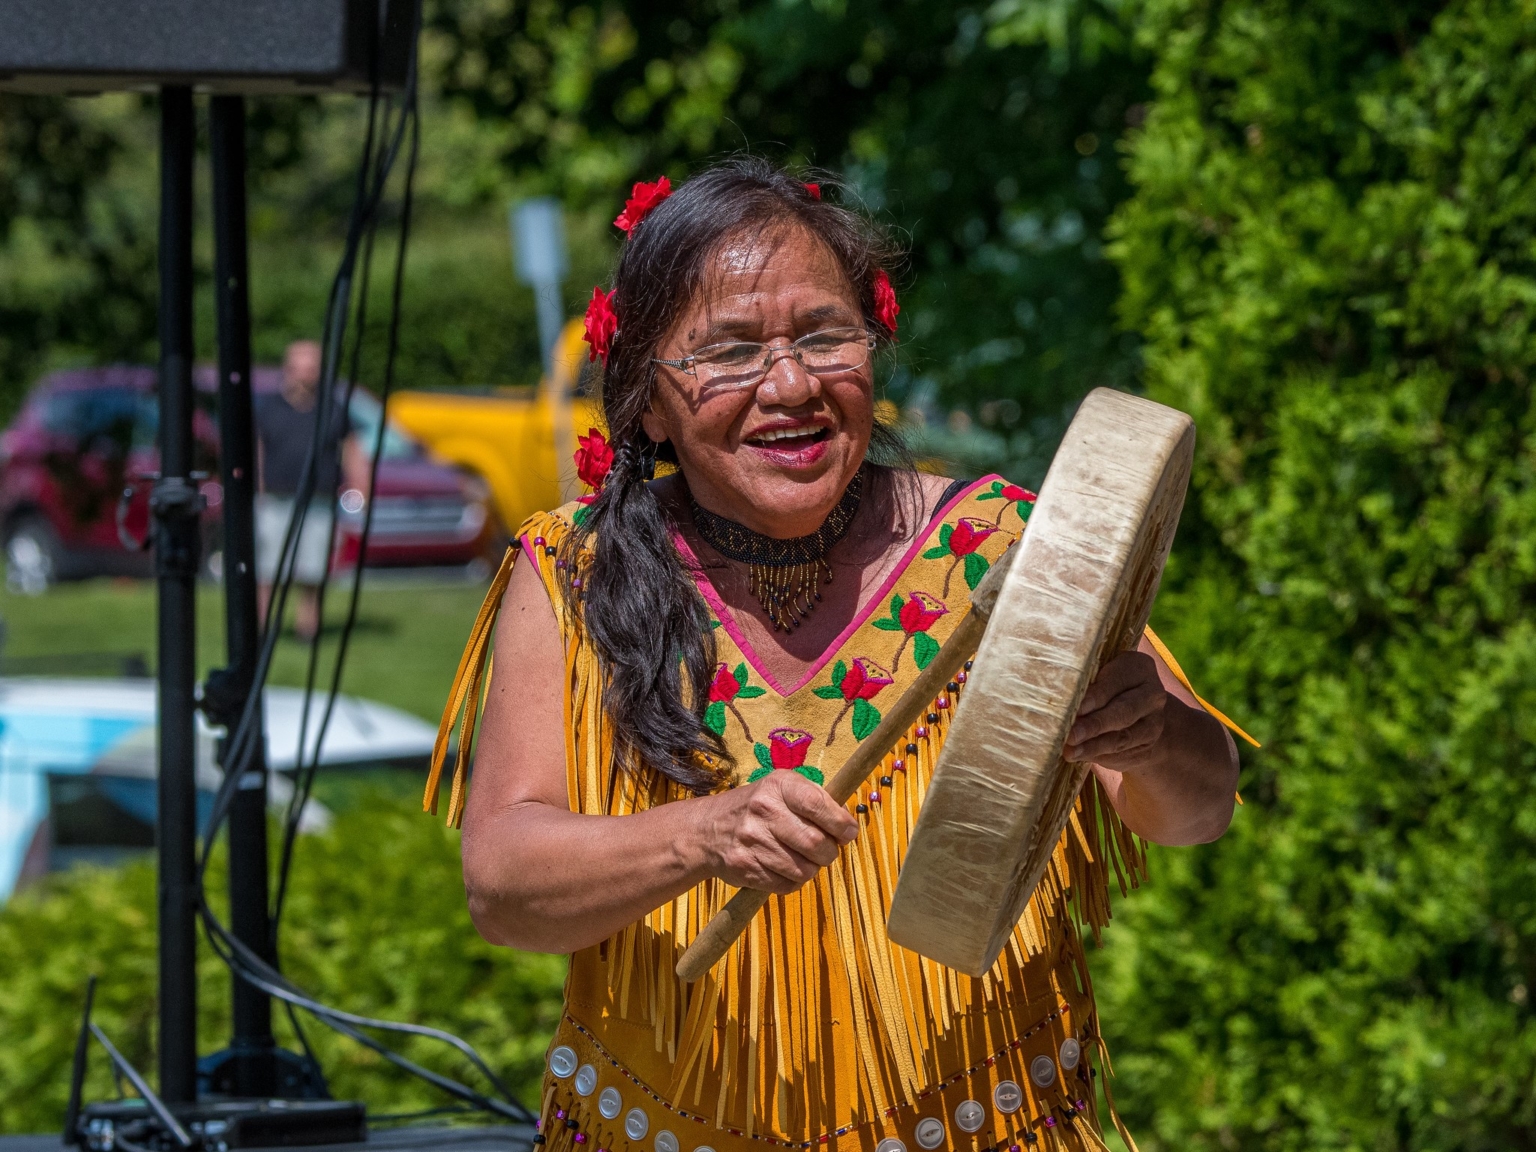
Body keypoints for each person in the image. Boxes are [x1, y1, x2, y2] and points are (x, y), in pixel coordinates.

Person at [427, 160, 1242, 1152]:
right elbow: (503, 882)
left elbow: (1198, 811)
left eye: (824, 336)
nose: (791, 384)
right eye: (728, 352)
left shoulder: (1003, 551)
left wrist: (1153, 737)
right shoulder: (573, 572)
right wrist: (701, 836)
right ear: (646, 402)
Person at [254, 339, 367, 640]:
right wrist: (257, 489)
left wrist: (360, 490)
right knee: (268, 569)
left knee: (314, 571)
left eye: (311, 368)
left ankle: (308, 630)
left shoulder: (334, 408)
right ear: (287, 369)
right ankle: (263, 629)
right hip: (276, 500)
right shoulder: (268, 407)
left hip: (320, 501)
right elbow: (257, 450)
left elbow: (353, 450)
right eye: (299, 368)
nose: (304, 374)